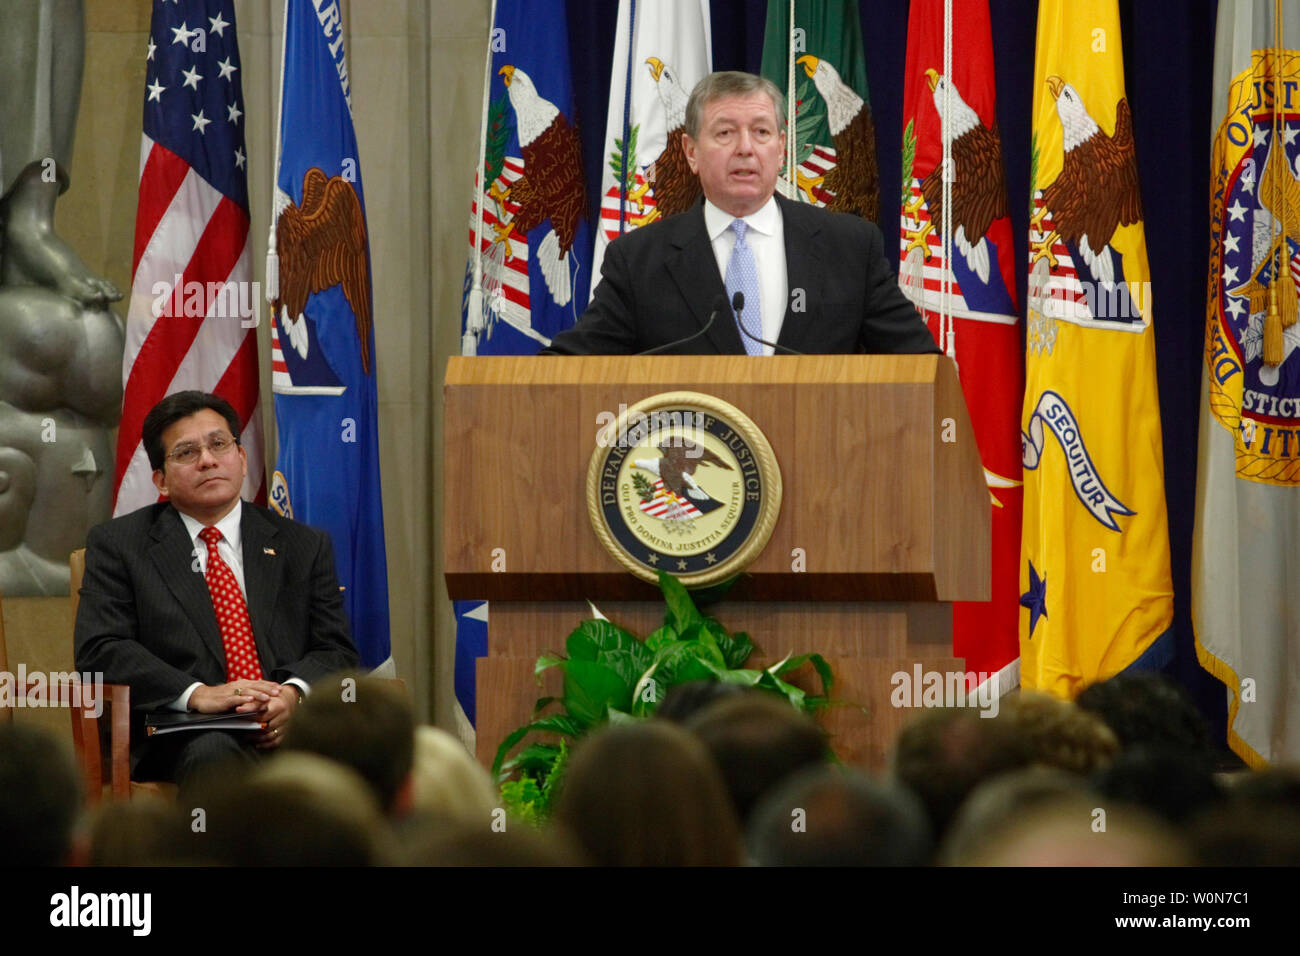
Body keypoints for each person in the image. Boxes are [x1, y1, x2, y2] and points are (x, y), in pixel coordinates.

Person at [543, 71, 939, 356]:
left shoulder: (851, 247)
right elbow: (574, 368)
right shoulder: (638, 260)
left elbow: (921, 368)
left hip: (826, 459)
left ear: (782, 149)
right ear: (690, 152)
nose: (746, 148)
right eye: (725, 132)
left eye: (762, 132)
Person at [74, 391, 359, 784]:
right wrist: (197, 693)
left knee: (368, 746)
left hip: (290, 726)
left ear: (241, 459)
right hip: (186, 732)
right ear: (161, 480)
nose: (207, 459)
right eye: (186, 452)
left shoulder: (302, 545)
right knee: (217, 753)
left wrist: (291, 695)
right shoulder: (121, 545)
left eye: (218, 444)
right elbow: (100, 648)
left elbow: (335, 648)